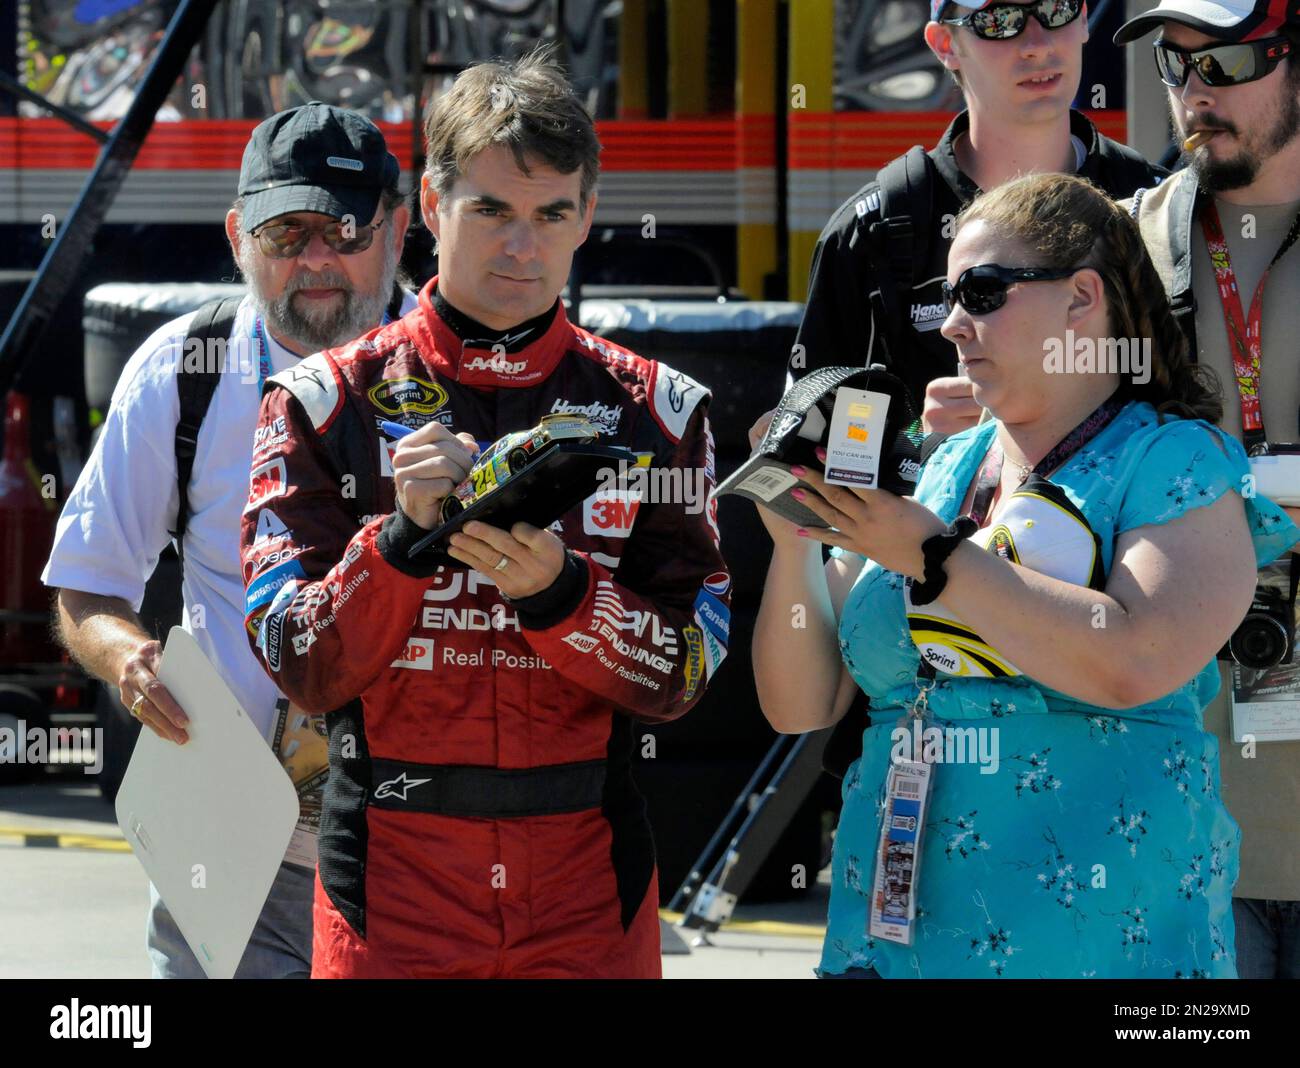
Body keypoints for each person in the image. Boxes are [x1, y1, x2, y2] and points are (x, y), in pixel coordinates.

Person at [238, 48, 729, 979]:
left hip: (590, 885)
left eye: (552, 214)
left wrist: (565, 598)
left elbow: (687, 673)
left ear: (587, 216)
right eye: (491, 210)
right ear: (431, 206)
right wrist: (397, 543)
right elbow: (297, 663)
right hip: (392, 880)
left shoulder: (658, 410)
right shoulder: (319, 402)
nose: (522, 245)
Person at [752, 172, 1299, 978]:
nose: (955, 323)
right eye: (948, 295)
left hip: (1104, 951)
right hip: (892, 946)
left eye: (982, 290)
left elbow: (1133, 660)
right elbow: (798, 706)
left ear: (1083, 298)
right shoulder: (941, 474)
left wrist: (936, 560)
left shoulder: (1175, 461)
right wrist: (793, 542)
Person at [43, 101, 417, 978]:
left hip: (423, 853)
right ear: (236, 236)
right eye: (286, 232)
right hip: (235, 847)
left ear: (400, 228)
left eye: (346, 227)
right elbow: (86, 587)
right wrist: (131, 661)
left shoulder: (464, 370)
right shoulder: (183, 369)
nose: (316, 257)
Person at [1115, 0, 1300, 979]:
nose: (1197, 89)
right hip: (1171, 838)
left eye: (1227, 60)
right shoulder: (1111, 252)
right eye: (1175, 64)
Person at [790, 0, 1163, 431]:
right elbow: (808, 458)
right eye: (1000, 21)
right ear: (945, 42)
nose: (1038, 44)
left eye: (1056, 9)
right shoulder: (875, 229)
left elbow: (1213, 410)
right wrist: (918, 441)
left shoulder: (1155, 207)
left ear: (1082, 18)